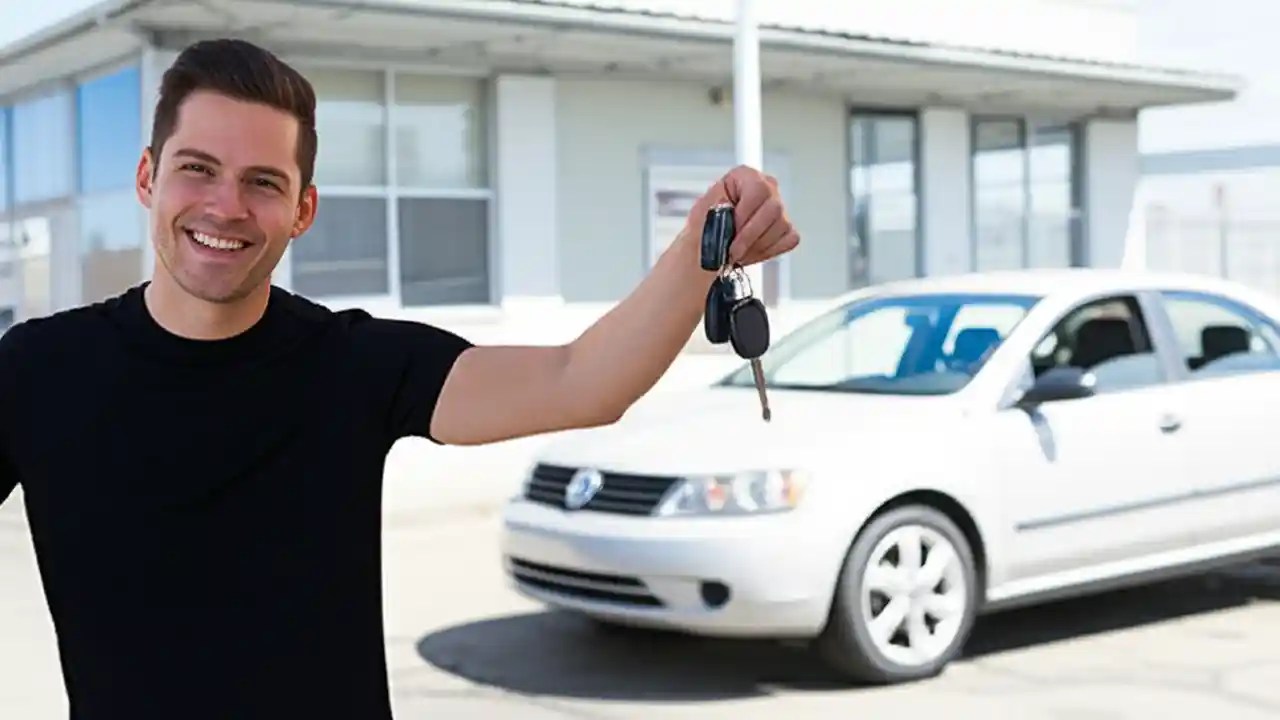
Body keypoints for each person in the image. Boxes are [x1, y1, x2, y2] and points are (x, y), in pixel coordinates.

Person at [0, 38, 798, 719]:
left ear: (303, 209)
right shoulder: (36, 370)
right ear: (148, 178)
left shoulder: (352, 364)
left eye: (263, 183)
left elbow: (580, 379)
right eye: (198, 169)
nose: (225, 205)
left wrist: (706, 239)